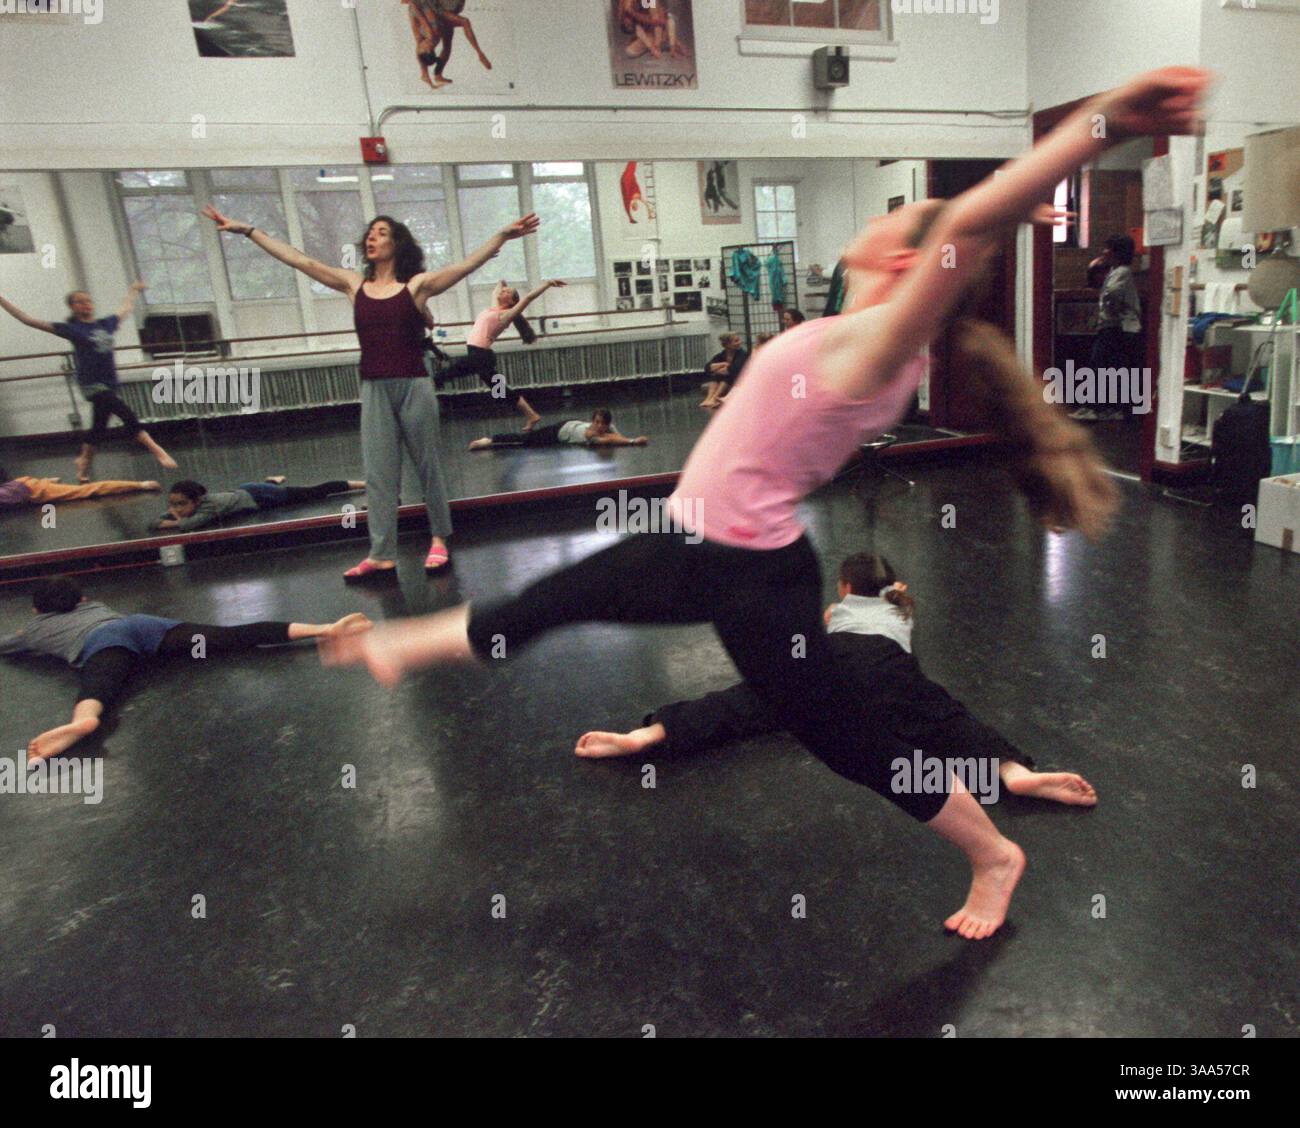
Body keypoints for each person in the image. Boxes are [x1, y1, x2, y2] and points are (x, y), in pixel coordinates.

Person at [319, 69, 1208, 940]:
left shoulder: (875, 343)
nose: (876, 213)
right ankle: (403, 646)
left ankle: (994, 854)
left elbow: (970, 223)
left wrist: (1104, 117)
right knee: (554, 601)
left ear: (908, 260)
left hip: (751, 573)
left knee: (849, 741)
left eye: (892, 215)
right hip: (699, 545)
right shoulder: (855, 335)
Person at [574, 552, 1098, 809]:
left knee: (745, 704)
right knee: (946, 720)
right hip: (888, 670)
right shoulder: (901, 610)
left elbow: (822, 622)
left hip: (832, 664)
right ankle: (1012, 776)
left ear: (846, 585)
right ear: (891, 586)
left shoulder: (837, 607)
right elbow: (895, 595)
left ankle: (645, 736)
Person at [201, 203, 540, 580]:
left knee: (427, 466)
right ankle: (381, 554)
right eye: (370, 233)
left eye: (380, 232)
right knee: (379, 474)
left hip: (414, 385)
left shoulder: (416, 286)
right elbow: (299, 261)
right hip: (374, 389)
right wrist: (249, 230)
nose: (371, 238)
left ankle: (440, 539)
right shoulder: (353, 285)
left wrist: (502, 237)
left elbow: (464, 267)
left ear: (398, 244)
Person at [1, 576, 372, 762]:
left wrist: (26, 632)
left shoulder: (33, 630)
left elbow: (6, 645)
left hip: (103, 645)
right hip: (142, 626)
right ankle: (324, 628)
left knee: (99, 683)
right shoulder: (93, 605)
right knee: (230, 636)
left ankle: (85, 721)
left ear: (37, 610)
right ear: (81, 599)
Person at [0, 285, 177, 483]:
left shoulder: (105, 324)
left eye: (88, 301)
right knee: (125, 412)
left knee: (98, 427)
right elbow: (27, 319)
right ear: (72, 307)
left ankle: (83, 462)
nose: (86, 304)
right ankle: (157, 450)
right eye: (80, 301)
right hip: (91, 384)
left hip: (109, 382)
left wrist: (134, 290)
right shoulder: (71, 329)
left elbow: (125, 308)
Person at [436, 278, 562, 430]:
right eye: (504, 290)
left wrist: (547, 285)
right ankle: (532, 415)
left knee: (446, 374)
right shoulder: (493, 308)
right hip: (480, 356)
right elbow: (496, 290)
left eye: (508, 292)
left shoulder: (506, 315)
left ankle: (432, 388)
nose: (503, 291)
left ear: (511, 301)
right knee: (501, 391)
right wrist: (502, 282)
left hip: (480, 355)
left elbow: (528, 298)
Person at [1074, 234, 1142, 422]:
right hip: (1118, 328)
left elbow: (1112, 292)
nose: (1104, 251)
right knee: (1110, 368)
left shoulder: (1122, 272)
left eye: (1108, 248)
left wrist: (1111, 309)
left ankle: (1095, 407)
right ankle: (1107, 408)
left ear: (1117, 252)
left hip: (1115, 328)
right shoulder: (1118, 270)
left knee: (1099, 367)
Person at [154, 476, 365, 532]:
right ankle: (272, 480)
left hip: (262, 496)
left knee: (315, 492)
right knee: (276, 489)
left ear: (197, 500)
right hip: (250, 492)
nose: (176, 509)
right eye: (173, 504)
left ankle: (362, 483)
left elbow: (190, 525)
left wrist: (171, 522)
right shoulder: (199, 503)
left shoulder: (209, 507)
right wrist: (172, 514)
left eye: (181, 504)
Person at [468, 409, 647, 450]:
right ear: (593, 421)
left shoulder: (609, 427)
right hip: (558, 431)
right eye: (597, 422)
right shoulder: (591, 433)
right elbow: (610, 439)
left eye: (603, 423)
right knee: (524, 440)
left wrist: (631, 440)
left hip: (567, 427)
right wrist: (631, 441)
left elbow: (617, 436)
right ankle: (489, 440)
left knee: (526, 442)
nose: (600, 426)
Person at [0, 467, 160, 511]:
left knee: (88, 490)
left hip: (34, 491)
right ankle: (47, 481)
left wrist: (141, 485)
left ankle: (140, 484)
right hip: (20, 485)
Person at [699, 332, 747, 409]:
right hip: (727, 376)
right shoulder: (722, 355)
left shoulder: (742, 354)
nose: (739, 343)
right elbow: (707, 367)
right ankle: (709, 398)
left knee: (727, 376)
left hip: (739, 378)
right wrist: (723, 364)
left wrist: (720, 369)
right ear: (727, 345)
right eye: (736, 341)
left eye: (738, 340)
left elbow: (734, 369)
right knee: (716, 376)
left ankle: (714, 398)